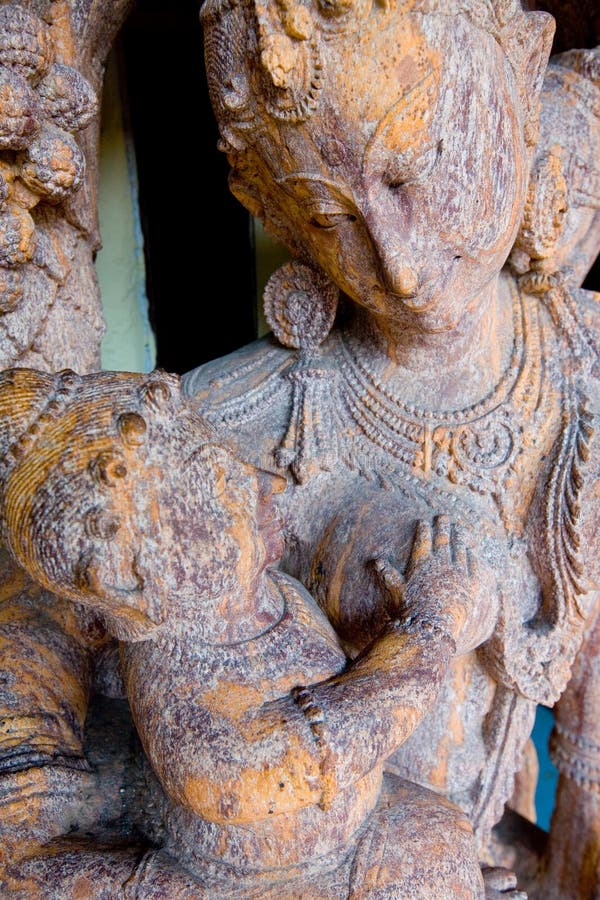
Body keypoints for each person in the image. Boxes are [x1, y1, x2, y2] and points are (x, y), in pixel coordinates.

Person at [182, 0, 600, 893]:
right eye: (331, 219)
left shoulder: (582, 364)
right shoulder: (241, 427)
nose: (400, 264)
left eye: (413, 170)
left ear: (521, 75)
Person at [0, 366, 488, 896]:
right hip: (268, 879)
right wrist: (428, 629)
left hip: (358, 824)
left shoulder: (266, 592)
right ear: (130, 580)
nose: (268, 483)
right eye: (222, 486)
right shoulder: (183, 701)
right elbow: (322, 748)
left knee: (447, 834)